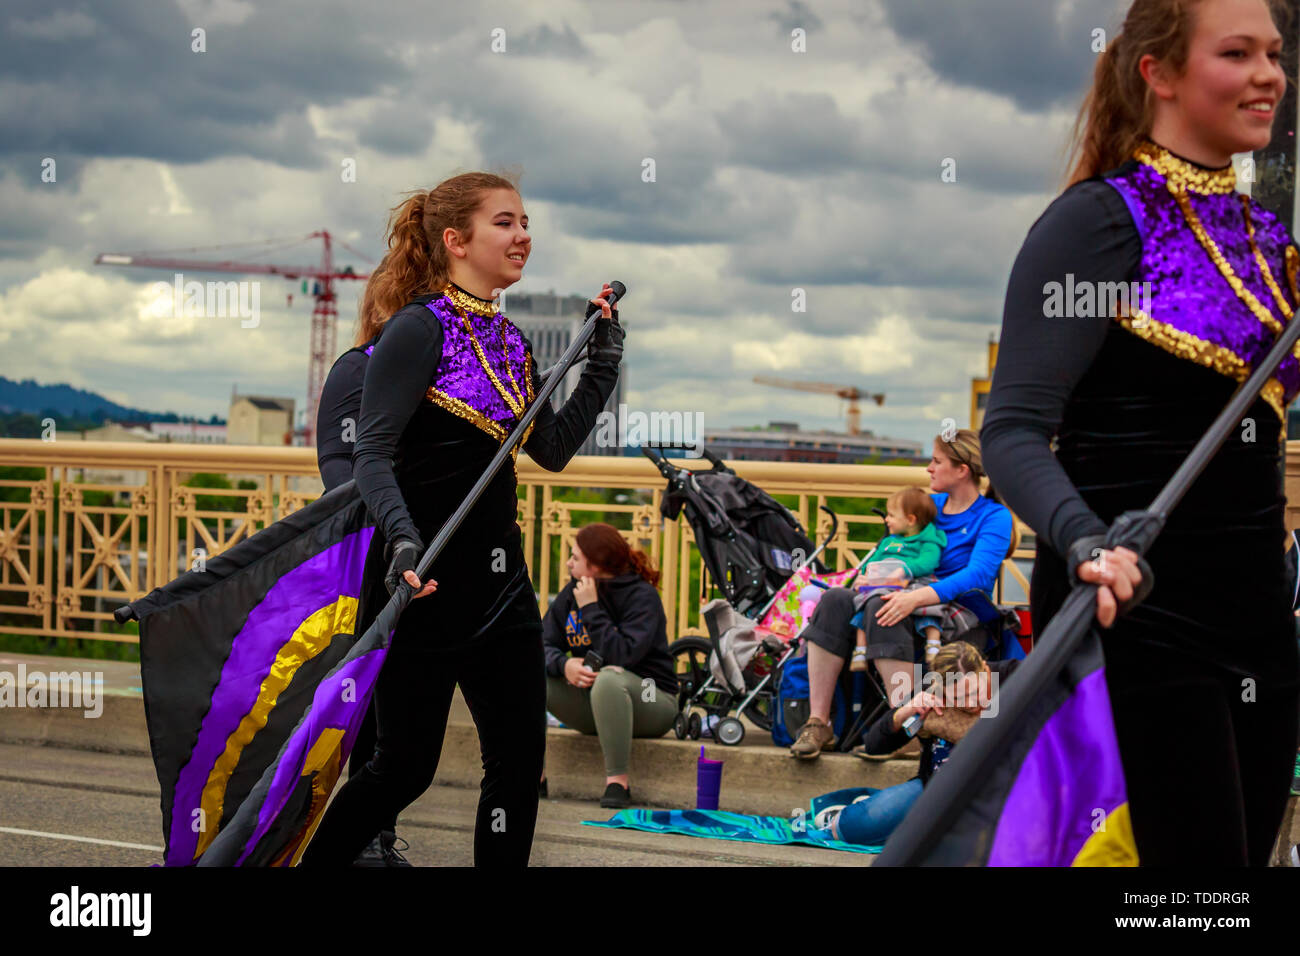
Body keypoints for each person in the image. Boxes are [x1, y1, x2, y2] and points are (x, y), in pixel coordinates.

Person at [981, 0, 1300, 865]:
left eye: (1273, 53)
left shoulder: (1270, 241)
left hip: (1259, 627)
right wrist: (1084, 540)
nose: (1270, 74)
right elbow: (1010, 429)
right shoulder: (1095, 223)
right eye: (1237, 53)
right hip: (1135, 611)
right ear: (1157, 72)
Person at [301, 171, 624, 867]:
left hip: (502, 590)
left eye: (525, 221)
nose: (523, 235)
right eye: (504, 222)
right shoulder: (415, 332)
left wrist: (602, 363)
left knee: (517, 766)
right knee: (404, 768)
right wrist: (402, 539)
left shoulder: (509, 340)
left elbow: (554, 449)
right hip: (424, 586)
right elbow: (373, 454)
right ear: (456, 240)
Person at [790, 429, 1013, 759]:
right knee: (835, 600)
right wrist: (871, 576)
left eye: (937, 461)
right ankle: (819, 722)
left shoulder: (993, 516)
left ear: (962, 470)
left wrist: (917, 597)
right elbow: (895, 548)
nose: (929, 469)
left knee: (885, 604)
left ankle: (906, 723)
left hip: (957, 613)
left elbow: (977, 574)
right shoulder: (928, 505)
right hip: (902, 597)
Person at [313, 332, 407, 866]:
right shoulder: (357, 368)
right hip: (370, 561)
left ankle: (375, 834)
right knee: (364, 701)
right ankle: (358, 840)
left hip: (424, 557)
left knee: (397, 715)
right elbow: (341, 474)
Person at [813, 641, 1017, 845]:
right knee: (851, 827)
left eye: (974, 692)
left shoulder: (1014, 676)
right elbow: (874, 745)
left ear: (984, 667)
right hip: (937, 790)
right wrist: (905, 712)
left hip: (1004, 789)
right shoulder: (932, 692)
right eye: (958, 697)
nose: (970, 703)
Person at [542, 523, 679, 809]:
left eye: (576, 558)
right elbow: (539, 645)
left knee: (609, 678)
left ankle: (618, 782)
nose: (568, 563)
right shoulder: (572, 593)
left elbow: (623, 657)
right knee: (527, 675)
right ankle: (534, 775)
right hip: (595, 707)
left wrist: (591, 608)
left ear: (594, 566)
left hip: (652, 703)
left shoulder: (642, 597)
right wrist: (563, 665)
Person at [847, 487, 947, 672]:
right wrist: (864, 576)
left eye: (891, 515)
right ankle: (860, 650)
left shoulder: (928, 541)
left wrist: (906, 570)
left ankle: (933, 644)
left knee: (929, 608)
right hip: (884, 583)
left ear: (910, 520)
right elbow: (872, 561)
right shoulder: (889, 542)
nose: (886, 519)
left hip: (915, 582)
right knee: (863, 601)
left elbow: (929, 562)